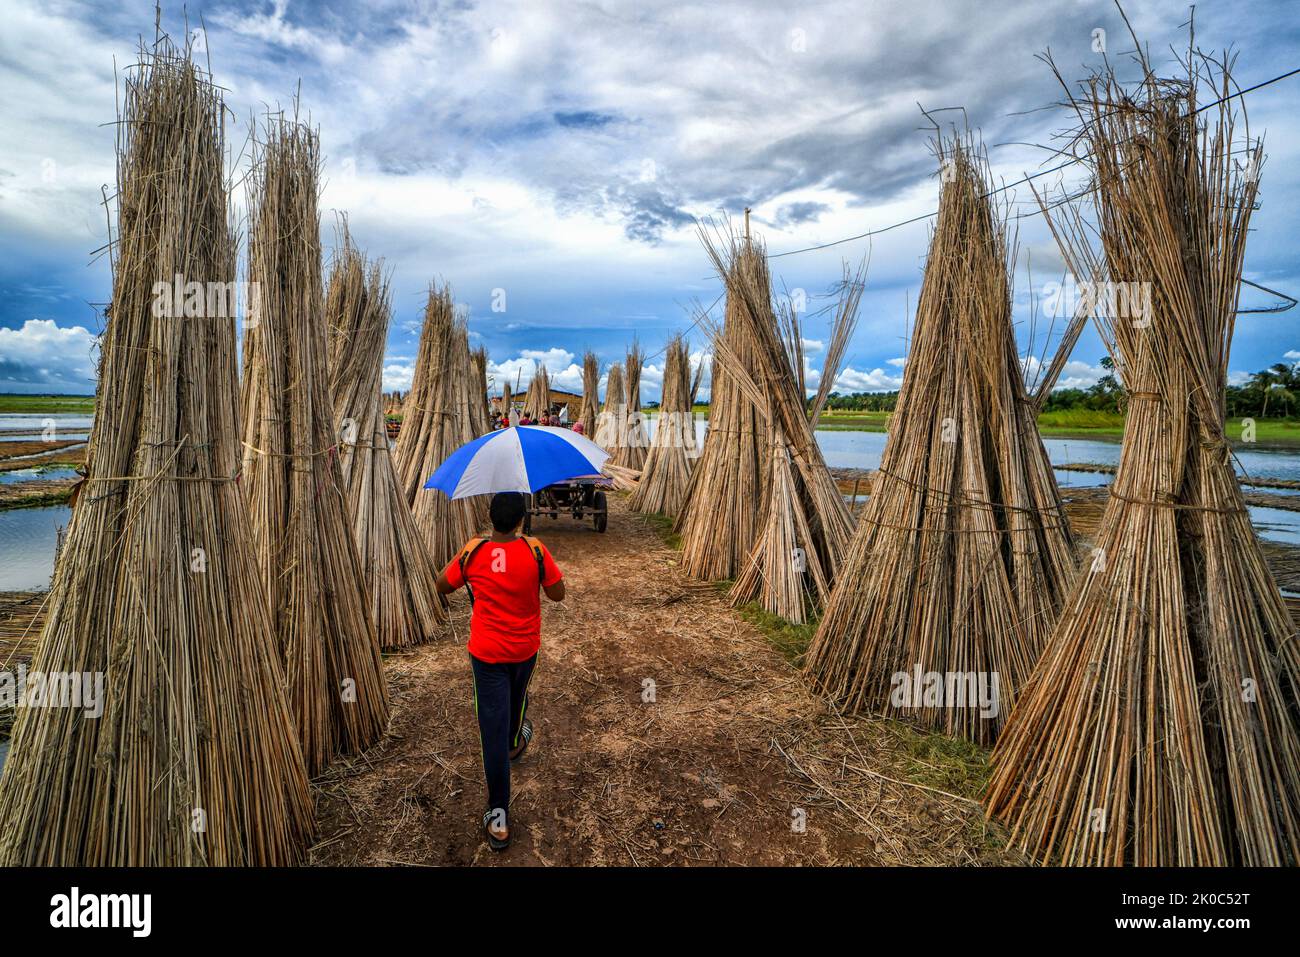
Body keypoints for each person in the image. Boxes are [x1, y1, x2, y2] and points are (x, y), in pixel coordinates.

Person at [436, 492, 565, 851]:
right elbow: (558, 594)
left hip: (487, 653)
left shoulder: (472, 552)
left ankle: (498, 816)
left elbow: (441, 584)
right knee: (518, 698)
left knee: (492, 727)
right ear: (521, 521)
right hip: (524, 650)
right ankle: (512, 742)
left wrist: (472, 578)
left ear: (490, 519)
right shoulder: (536, 551)